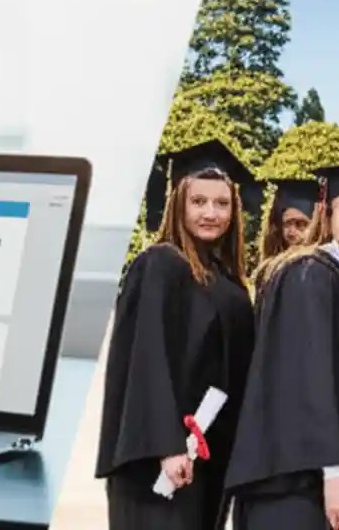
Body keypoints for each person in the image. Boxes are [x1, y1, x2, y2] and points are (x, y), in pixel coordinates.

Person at [96, 139, 260, 530]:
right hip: (159, 465)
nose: (211, 213)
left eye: (222, 204)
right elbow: (146, 362)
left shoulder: (228, 281)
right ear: (178, 204)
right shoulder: (160, 265)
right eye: (199, 201)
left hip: (208, 461)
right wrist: (167, 447)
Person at [225, 162, 339, 530]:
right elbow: (309, 378)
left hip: (306, 477)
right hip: (293, 481)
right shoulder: (310, 275)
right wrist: (334, 472)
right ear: (327, 214)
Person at [252, 178, 322, 287]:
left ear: (316, 225)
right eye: (287, 223)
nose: (291, 231)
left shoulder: (322, 272)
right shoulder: (268, 272)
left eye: (301, 224)